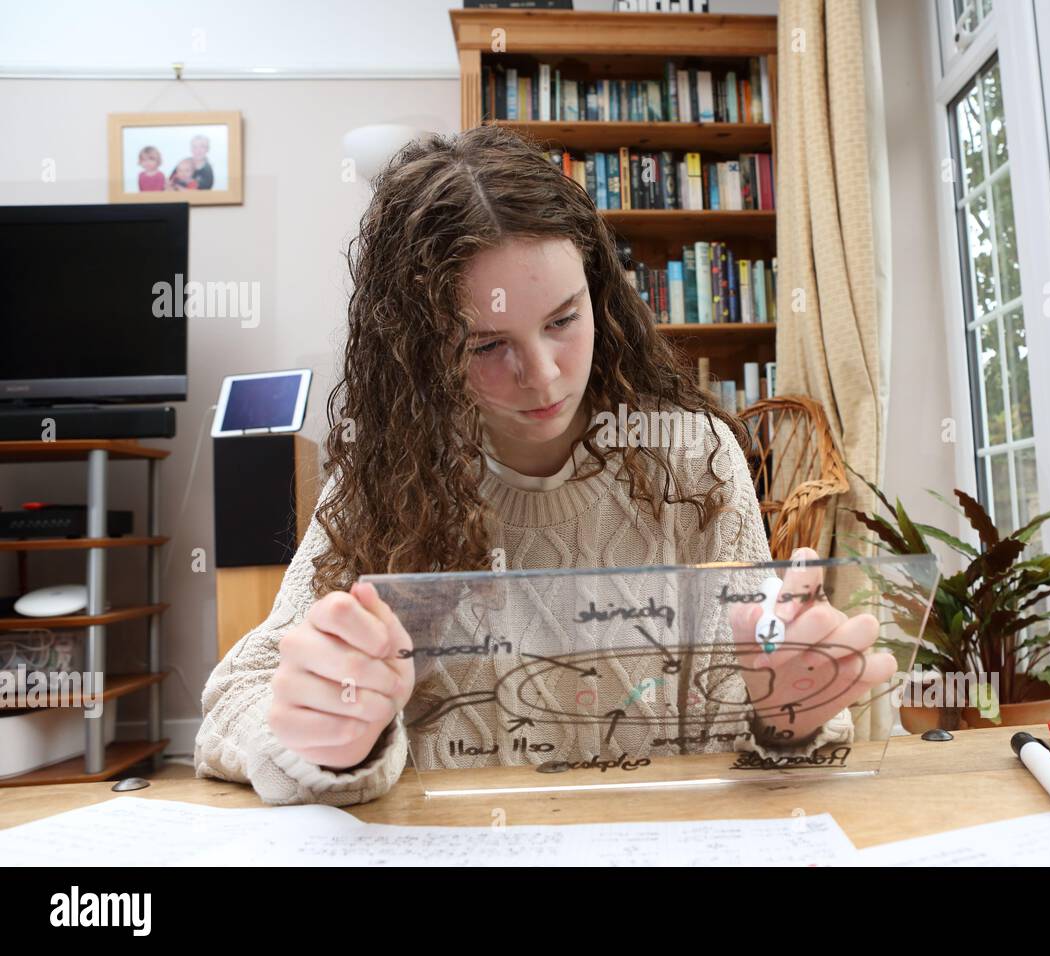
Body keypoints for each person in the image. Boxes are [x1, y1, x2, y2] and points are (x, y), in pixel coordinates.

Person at [195, 125, 896, 806]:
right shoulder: (384, 477)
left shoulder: (694, 459)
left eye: (563, 320)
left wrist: (790, 712)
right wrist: (334, 740)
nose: (543, 375)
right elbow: (238, 701)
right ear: (421, 349)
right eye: (485, 346)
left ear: (601, 293)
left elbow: (767, 735)